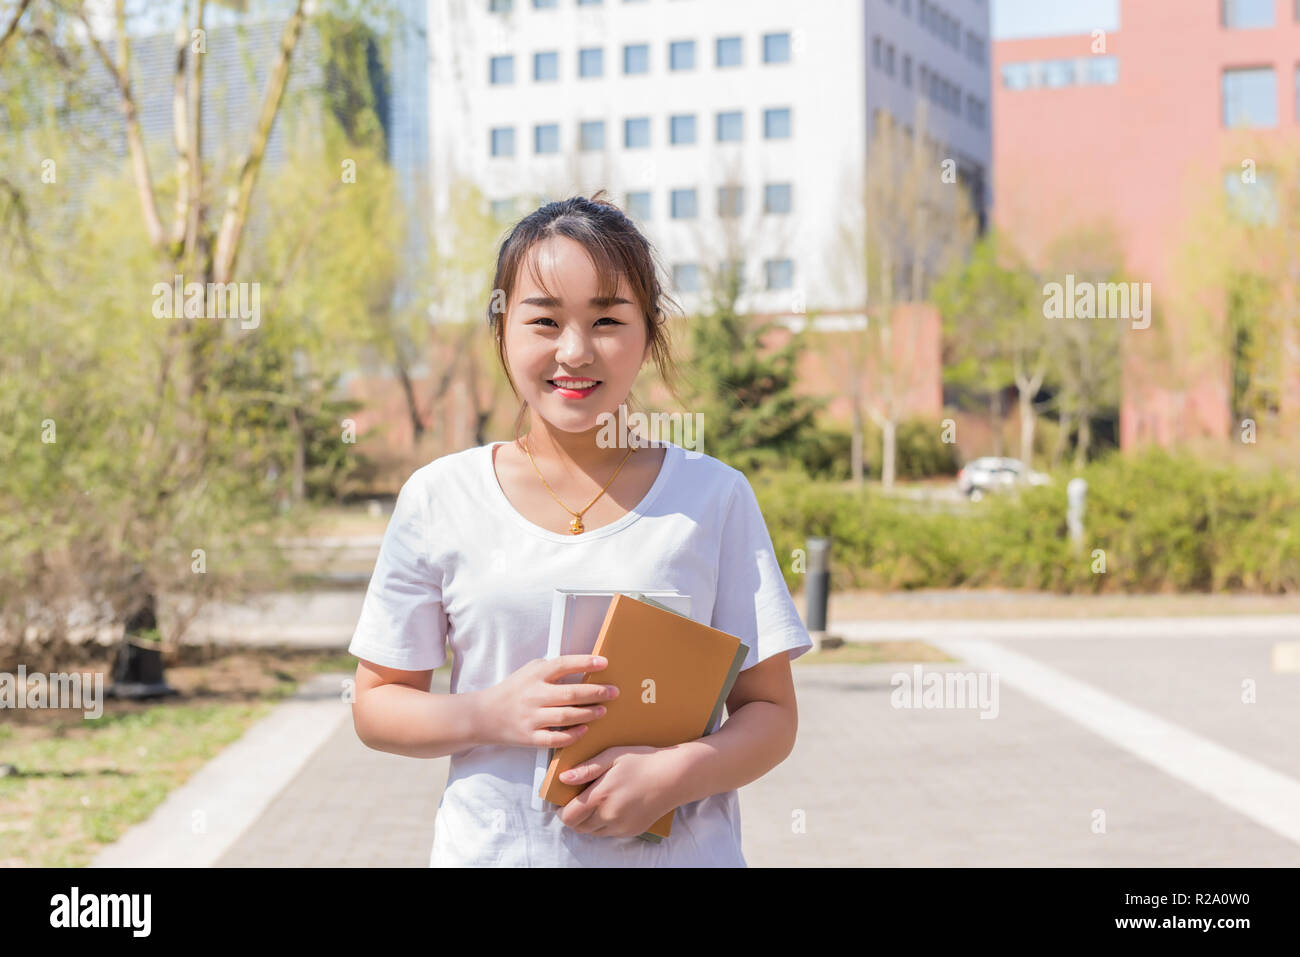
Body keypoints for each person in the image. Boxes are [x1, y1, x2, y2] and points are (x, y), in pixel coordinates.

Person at [348, 192, 812, 867]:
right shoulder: (440, 497)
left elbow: (771, 715)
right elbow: (377, 703)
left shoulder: (712, 497)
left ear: (648, 333)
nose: (575, 350)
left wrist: (674, 774)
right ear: (502, 330)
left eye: (606, 319)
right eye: (544, 320)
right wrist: (492, 713)